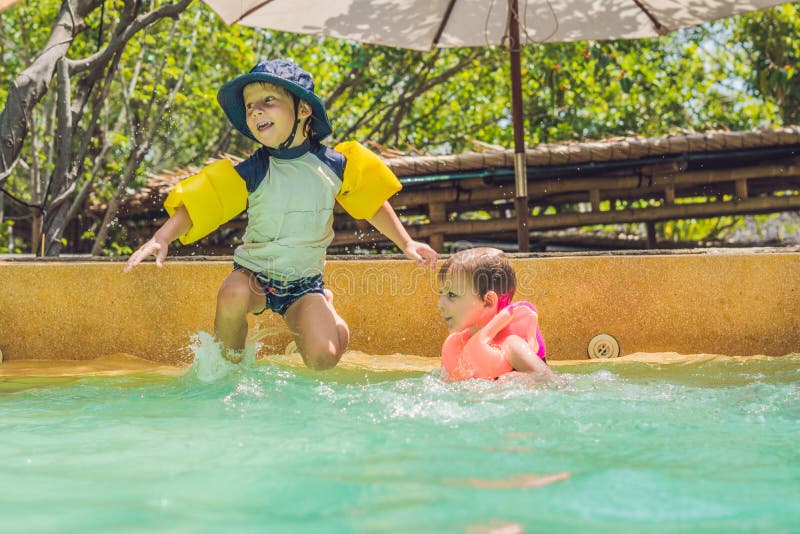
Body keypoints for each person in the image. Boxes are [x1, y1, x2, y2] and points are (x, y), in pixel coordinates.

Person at [125, 59, 438, 369]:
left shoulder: (334, 165)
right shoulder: (256, 168)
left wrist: (406, 242)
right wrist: (161, 237)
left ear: (303, 110)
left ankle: (330, 314)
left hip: (303, 284)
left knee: (323, 359)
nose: (255, 110)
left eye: (268, 101)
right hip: (254, 276)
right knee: (232, 293)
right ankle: (227, 366)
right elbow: (205, 200)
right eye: (249, 106)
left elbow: (371, 202)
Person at [437, 247, 553, 381]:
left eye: (452, 295)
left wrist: (518, 381)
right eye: (442, 294)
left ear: (488, 302)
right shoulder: (456, 348)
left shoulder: (512, 347)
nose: (440, 303)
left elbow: (552, 385)